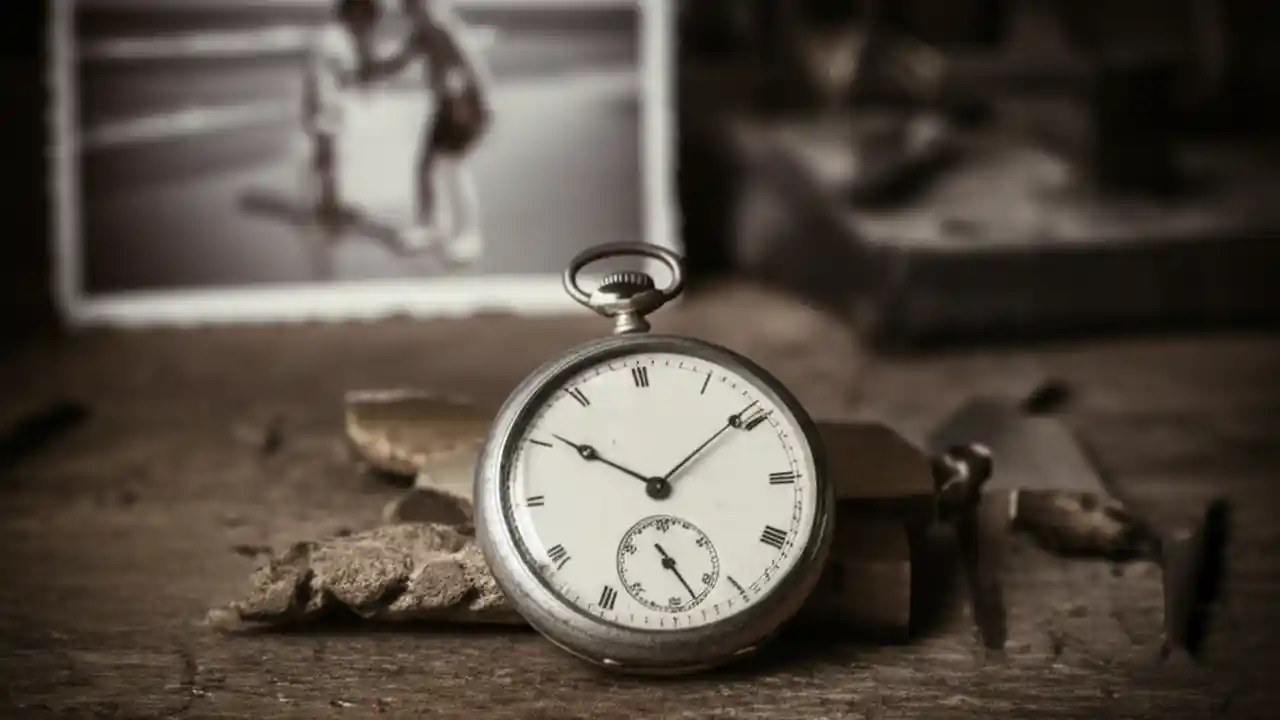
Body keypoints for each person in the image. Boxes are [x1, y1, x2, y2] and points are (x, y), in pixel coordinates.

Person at [334, 0, 492, 263]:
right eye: (410, 9)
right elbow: (398, 63)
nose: (413, 14)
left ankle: (469, 234)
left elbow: (472, 62)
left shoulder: (444, 27)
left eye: (417, 7)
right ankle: (431, 225)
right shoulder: (422, 32)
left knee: (454, 167)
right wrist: (369, 68)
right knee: (425, 166)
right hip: (445, 106)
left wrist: (486, 105)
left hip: (466, 104)